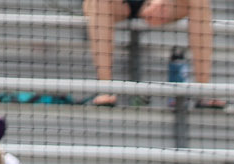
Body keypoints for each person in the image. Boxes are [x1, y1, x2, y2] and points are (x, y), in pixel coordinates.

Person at [85, 0, 225, 110]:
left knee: (199, 1)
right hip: (117, 5)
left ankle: (203, 91)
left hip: (157, 4)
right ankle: (105, 90)